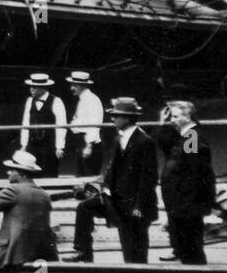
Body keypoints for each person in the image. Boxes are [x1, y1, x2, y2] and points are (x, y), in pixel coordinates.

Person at [66, 97, 158, 264]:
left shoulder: (144, 141)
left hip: (134, 203)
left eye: (116, 116)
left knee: (133, 250)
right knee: (85, 207)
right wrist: (99, 186)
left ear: (128, 118)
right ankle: (83, 251)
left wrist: (139, 205)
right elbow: (112, 169)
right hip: (116, 199)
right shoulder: (118, 139)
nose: (113, 119)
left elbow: (148, 177)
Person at [0, 149, 58, 269]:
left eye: (12, 170)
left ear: (22, 175)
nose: (8, 173)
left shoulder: (14, 190)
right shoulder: (45, 195)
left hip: (15, 252)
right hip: (39, 251)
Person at [158, 100, 215, 265]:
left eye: (175, 116)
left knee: (191, 249)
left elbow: (196, 170)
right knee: (186, 247)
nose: (172, 120)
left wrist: (189, 203)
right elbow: (164, 145)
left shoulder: (191, 136)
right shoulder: (183, 135)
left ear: (188, 116)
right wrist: (163, 123)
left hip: (187, 204)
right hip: (181, 202)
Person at [19, 72, 66, 178]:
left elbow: (61, 126)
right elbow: (25, 124)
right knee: (32, 174)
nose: (31, 89)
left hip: (49, 145)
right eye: (31, 86)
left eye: (34, 87)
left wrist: (60, 147)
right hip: (33, 146)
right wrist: (24, 145)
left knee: (49, 174)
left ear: (43, 88)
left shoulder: (56, 101)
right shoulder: (29, 101)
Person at [65, 70, 104, 177]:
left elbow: (95, 124)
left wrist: (89, 145)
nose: (72, 88)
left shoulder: (92, 100)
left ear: (83, 85)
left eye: (75, 85)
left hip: (89, 142)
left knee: (88, 179)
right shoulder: (83, 100)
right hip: (81, 141)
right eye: (72, 85)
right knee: (81, 178)